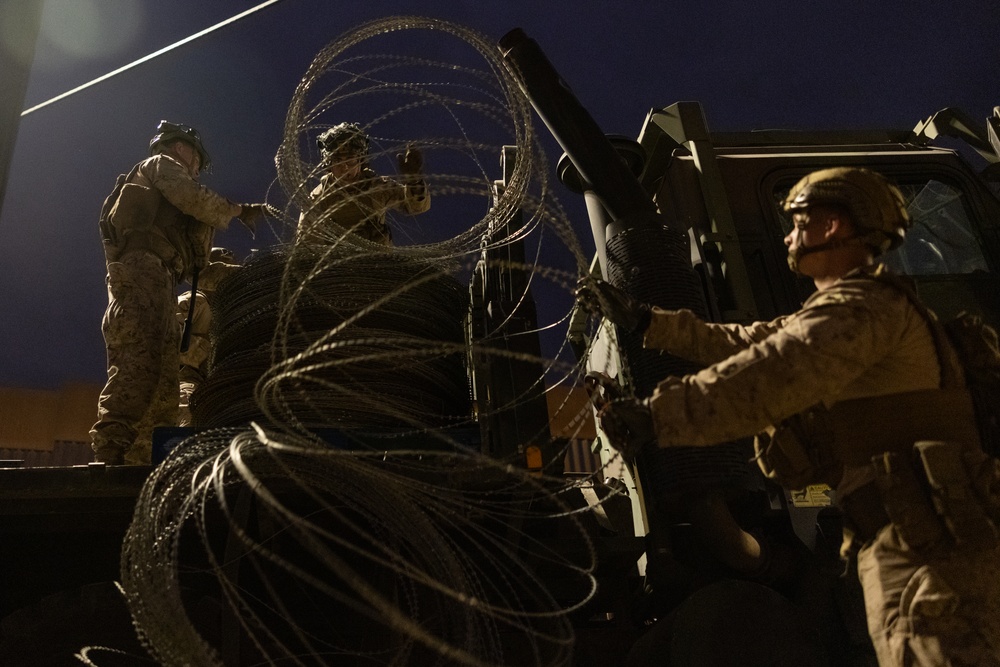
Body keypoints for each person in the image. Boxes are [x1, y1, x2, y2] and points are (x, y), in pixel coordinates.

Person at [577, 167, 1000, 666]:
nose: (788, 237)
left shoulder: (862, 309)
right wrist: (646, 322)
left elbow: (774, 370)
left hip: (925, 539)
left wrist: (657, 415)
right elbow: (748, 341)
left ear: (835, 227)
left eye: (800, 224)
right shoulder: (852, 306)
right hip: (909, 527)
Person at [91, 120, 265, 465]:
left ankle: (141, 462)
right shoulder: (162, 166)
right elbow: (193, 198)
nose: (197, 168)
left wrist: (255, 275)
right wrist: (238, 210)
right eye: (197, 159)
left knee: (164, 381)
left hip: (162, 278)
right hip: (141, 271)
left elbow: (202, 272)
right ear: (181, 148)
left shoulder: (172, 209)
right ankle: (111, 447)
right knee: (139, 359)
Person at [296, 122, 430, 246]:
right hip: (339, 263)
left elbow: (414, 207)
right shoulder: (319, 197)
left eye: (350, 160)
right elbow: (306, 242)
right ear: (328, 164)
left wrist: (414, 182)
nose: (345, 167)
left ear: (360, 160)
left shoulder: (377, 187)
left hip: (378, 260)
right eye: (337, 161)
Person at [176, 247, 240, 427]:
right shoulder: (196, 301)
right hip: (185, 383)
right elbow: (164, 333)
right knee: (188, 426)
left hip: (211, 388)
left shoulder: (224, 314)